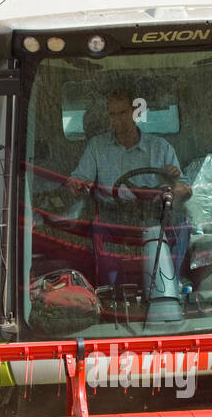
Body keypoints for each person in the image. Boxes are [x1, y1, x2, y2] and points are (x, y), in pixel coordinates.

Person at [67, 89, 192, 290]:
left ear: (135, 112)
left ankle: (171, 283)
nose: (118, 119)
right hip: (114, 217)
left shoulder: (160, 147)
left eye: (123, 113)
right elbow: (79, 179)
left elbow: (185, 189)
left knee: (182, 225)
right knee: (96, 226)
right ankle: (108, 290)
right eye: (113, 114)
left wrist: (173, 182)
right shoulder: (97, 147)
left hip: (154, 216)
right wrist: (76, 184)